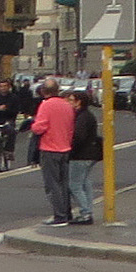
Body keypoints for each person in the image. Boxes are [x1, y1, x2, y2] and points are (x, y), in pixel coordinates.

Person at [31, 81, 80, 224]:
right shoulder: (67, 105)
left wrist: (32, 125)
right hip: (65, 148)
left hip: (50, 148)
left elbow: (40, 127)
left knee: (52, 185)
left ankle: (59, 216)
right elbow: (71, 128)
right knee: (64, 183)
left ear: (44, 92)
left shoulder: (46, 105)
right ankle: (67, 212)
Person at [67, 82, 105, 228]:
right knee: (85, 183)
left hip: (81, 155)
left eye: (71, 100)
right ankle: (88, 211)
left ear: (79, 102)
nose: (69, 103)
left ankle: (85, 212)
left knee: (74, 185)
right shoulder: (87, 115)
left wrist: (70, 149)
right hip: (90, 154)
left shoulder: (82, 117)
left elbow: (79, 137)